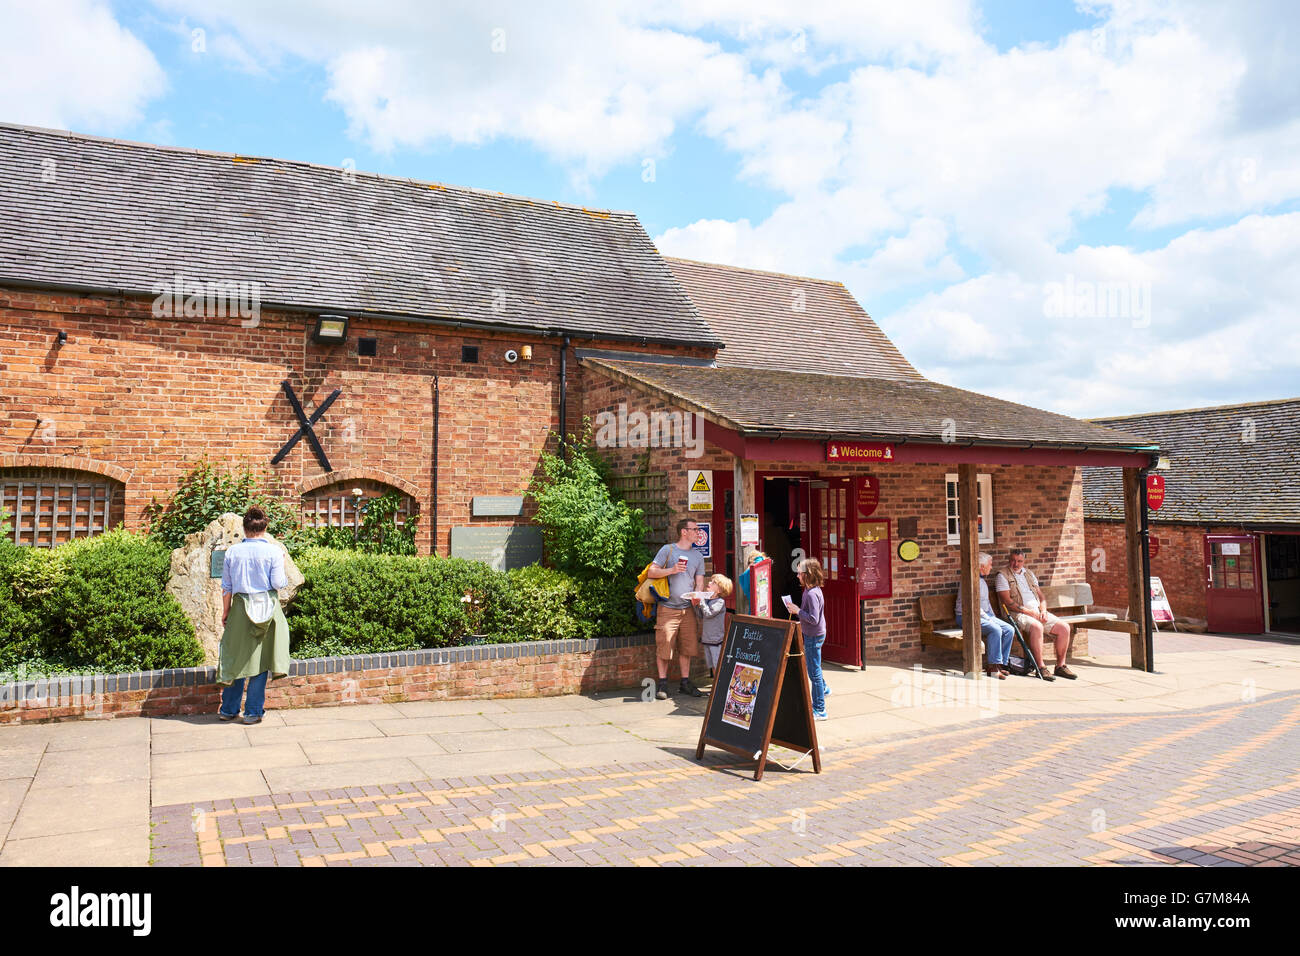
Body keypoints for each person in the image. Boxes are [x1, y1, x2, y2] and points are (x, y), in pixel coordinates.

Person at [217, 507, 291, 723]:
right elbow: (278, 583)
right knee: (261, 659)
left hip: (240, 607)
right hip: (268, 608)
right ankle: (252, 712)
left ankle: (228, 709)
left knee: (236, 657)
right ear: (265, 528)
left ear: (244, 528)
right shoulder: (274, 552)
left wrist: (226, 611)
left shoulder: (232, 552)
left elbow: (227, 587)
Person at [645, 517, 706, 699]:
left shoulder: (698, 556)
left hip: (687, 609)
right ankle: (662, 684)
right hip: (667, 608)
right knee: (664, 645)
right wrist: (671, 570)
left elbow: (699, 581)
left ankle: (685, 683)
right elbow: (651, 572)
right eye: (695, 529)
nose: (698, 532)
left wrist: (697, 595)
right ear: (684, 532)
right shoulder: (668, 550)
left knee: (687, 648)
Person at [995, 548, 1076, 681]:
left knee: (1064, 627)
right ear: (1009, 560)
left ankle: (1060, 666)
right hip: (1016, 613)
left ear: (1024, 561)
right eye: (1013, 560)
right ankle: (1041, 667)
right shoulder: (1002, 575)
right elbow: (1007, 602)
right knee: (1037, 626)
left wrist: (1043, 611)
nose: (1016, 564)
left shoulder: (1029, 574)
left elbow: (1041, 596)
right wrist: (1030, 612)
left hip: (1037, 612)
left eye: (1019, 561)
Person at [955, 552, 1015, 679]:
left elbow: (986, 603)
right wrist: (990, 619)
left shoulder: (981, 580)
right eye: (990, 564)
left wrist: (992, 617)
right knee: (995, 629)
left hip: (983, 615)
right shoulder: (971, 581)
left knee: (1009, 629)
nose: (991, 567)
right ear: (982, 566)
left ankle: (1001, 664)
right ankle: (992, 667)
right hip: (967, 617)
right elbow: (974, 606)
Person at [787, 557, 829, 721]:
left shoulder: (811, 594)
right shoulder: (810, 590)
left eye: (799, 573)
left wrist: (797, 611)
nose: (797, 576)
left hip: (813, 636)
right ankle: (823, 689)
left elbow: (814, 618)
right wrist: (797, 610)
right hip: (813, 634)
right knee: (814, 666)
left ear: (808, 574)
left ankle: (820, 709)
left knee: (813, 673)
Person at [691, 573, 734, 675]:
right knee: (712, 666)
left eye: (713, 582)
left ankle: (717, 684)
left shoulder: (719, 602)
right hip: (707, 639)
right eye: (711, 581)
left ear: (719, 590)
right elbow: (701, 615)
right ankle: (714, 683)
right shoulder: (707, 600)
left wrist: (701, 601)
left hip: (716, 640)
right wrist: (696, 605)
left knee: (717, 665)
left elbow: (709, 614)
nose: (709, 582)